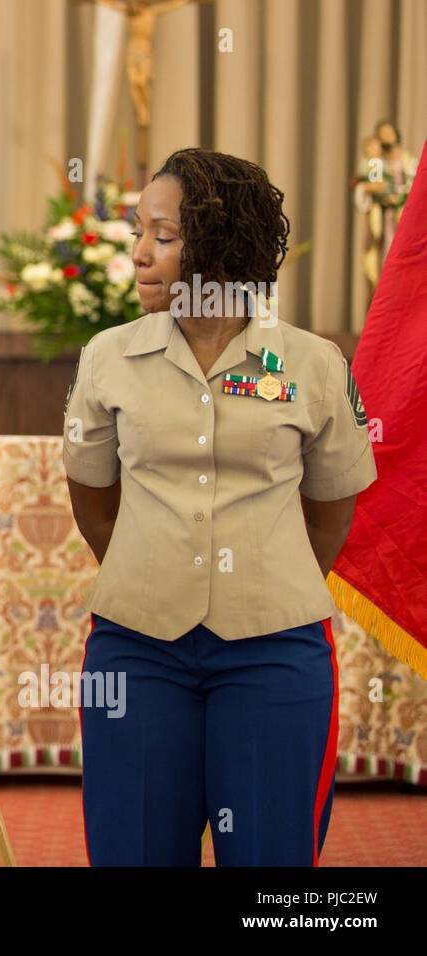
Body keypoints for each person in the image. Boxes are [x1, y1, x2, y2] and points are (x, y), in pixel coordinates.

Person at [64, 147, 376, 866]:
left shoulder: (312, 364)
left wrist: (258, 583)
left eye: (162, 237)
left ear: (222, 245)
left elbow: (330, 510)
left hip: (274, 653)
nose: (138, 254)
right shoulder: (108, 358)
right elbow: (95, 502)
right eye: (138, 232)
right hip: (138, 652)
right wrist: (158, 576)